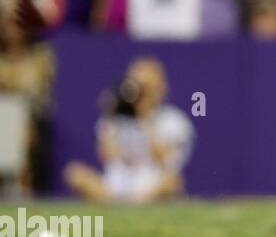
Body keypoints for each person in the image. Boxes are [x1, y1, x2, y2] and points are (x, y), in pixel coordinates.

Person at [64, 57, 195, 203]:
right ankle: (120, 201)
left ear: (160, 88)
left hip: (151, 184)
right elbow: (108, 156)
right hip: (116, 184)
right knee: (74, 173)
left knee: (172, 182)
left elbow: (166, 161)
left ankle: (131, 202)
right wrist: (112, 114)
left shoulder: (173, 120)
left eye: (147, 88)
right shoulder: (116, 118)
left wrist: (145, 119)